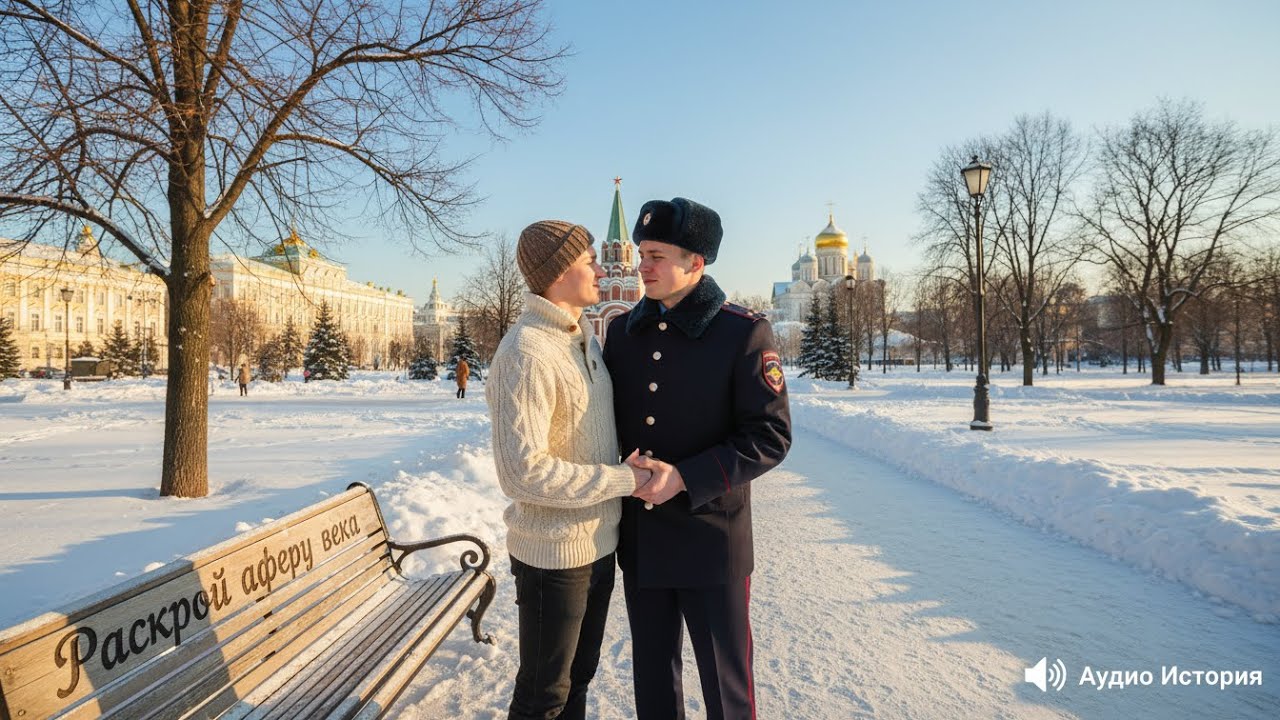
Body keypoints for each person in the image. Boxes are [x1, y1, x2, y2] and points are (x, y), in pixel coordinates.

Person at [603, 197, 792, 720]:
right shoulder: (622, 332)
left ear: (696, 263)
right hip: (643, 539)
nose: (644, 265)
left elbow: (771, 435)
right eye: (642, 253)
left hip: (713, 540)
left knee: (726, 690)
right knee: (653, 685)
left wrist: (685, 477)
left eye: (658, 255)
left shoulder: (741, 331)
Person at [488, 219, 661, 720]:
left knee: (577, 680)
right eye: (590, 261)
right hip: (553, 555)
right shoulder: (526, 352)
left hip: (597, 544)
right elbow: (522, 473)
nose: (602, 272)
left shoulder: (577, 340)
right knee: (544, 695)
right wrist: (623, 480)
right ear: (560, 271)